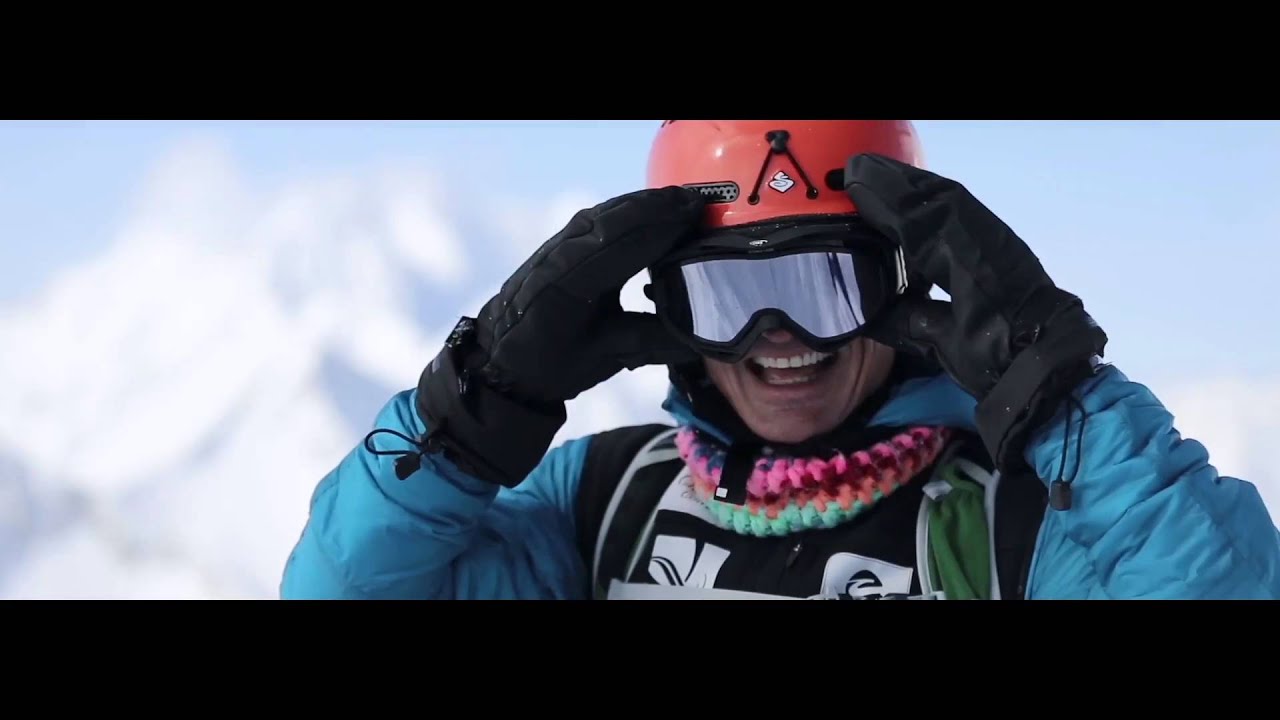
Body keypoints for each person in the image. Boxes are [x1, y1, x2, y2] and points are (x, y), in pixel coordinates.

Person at [279, 119, 1280, 600]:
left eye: (818, 287)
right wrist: (467, 421)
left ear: (902, 295)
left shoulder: (1017, 521)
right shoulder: (600, 501)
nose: (779, 338)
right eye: (727, 297)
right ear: (667, 310)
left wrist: (1061, 402)